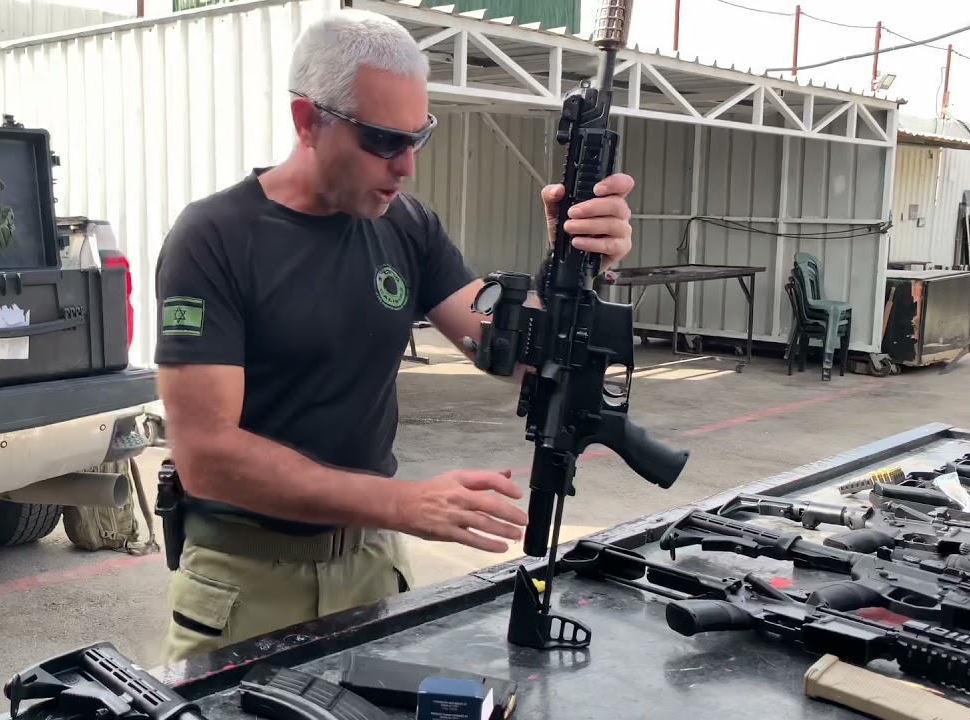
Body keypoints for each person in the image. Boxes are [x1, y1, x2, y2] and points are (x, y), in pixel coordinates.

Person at [151, 9, 635, 663]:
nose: (406, 165)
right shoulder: (214, 239)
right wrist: (402, 502)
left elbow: (508, 348)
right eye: (383, 140)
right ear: (307, 120)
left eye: (419, 137)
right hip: (245, 579)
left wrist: (573, 263)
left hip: (370, 565)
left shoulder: (405, 225)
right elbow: (207, 456)